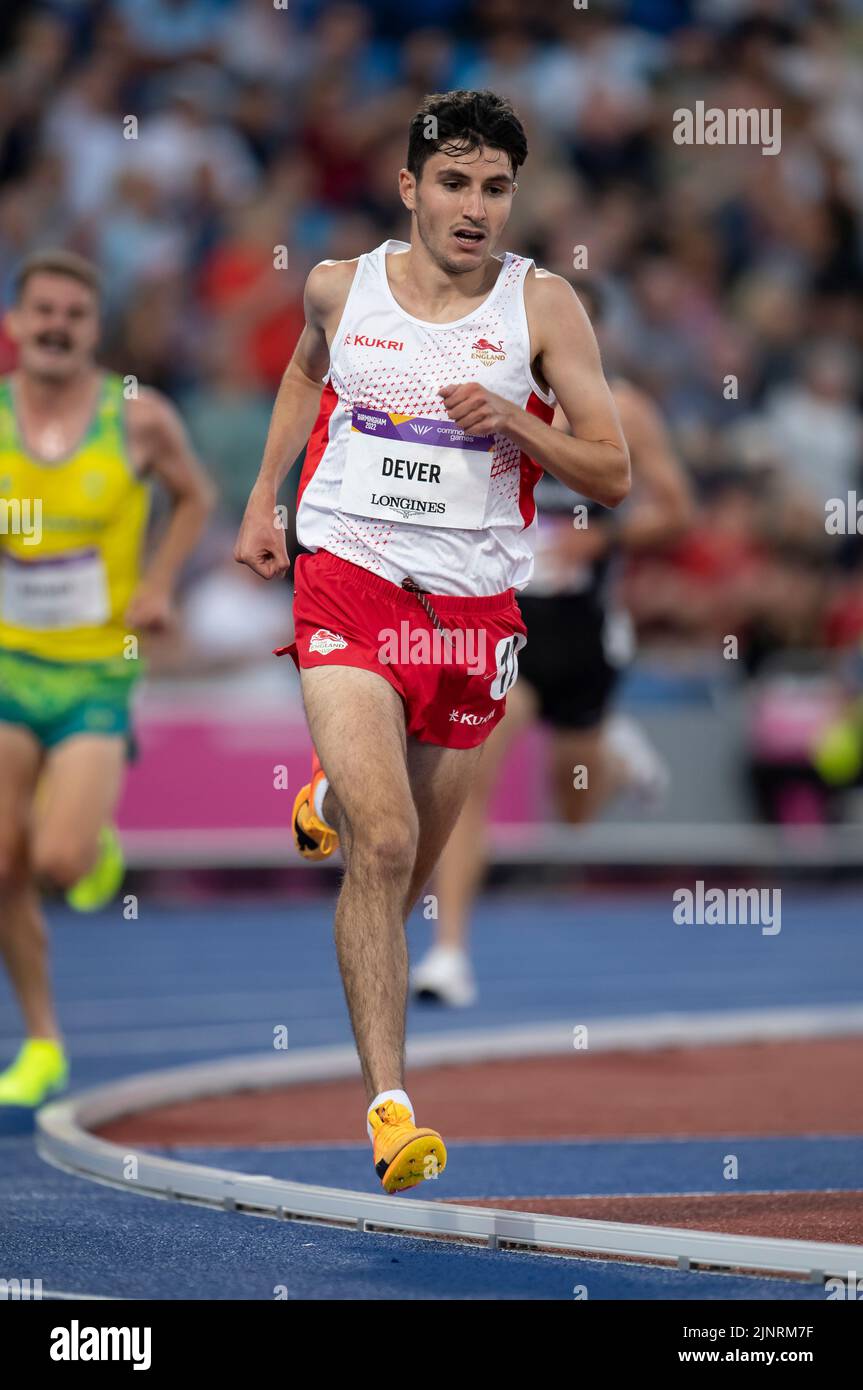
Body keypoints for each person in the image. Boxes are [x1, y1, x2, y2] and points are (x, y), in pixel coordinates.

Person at [234, 90, 630, 1193]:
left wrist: (516, 418)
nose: (474, 207)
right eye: (453, 183)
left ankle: (328, 795)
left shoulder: (541, 309)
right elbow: (307, 368)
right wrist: (264, 501)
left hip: (473, 617)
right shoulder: (337, 286)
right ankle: (389, 1109)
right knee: (392, 841)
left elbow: (612, 471)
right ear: (409, 187)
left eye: (495, 188)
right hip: (350, 582)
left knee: (402, 862)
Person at [413, 277, 694, 1005]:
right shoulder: (491, 399)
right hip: (507, 621)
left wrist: (598, 545)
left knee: (569, 810)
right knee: (468, 779)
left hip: (585, 633)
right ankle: (449, 954)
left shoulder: (623, 409)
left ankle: (613, 749)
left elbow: (674, 508)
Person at [0, 250, 214, 1107]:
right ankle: (43, 1041)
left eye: (74, 316)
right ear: (15, 325)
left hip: (95, 672)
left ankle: (89, 840)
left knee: (56, 861)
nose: (56, 327)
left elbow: (195, 497)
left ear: (95, 330)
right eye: (41, 312)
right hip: (8, 665)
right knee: (2, 864)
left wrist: (157, 583)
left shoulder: (137, 418)